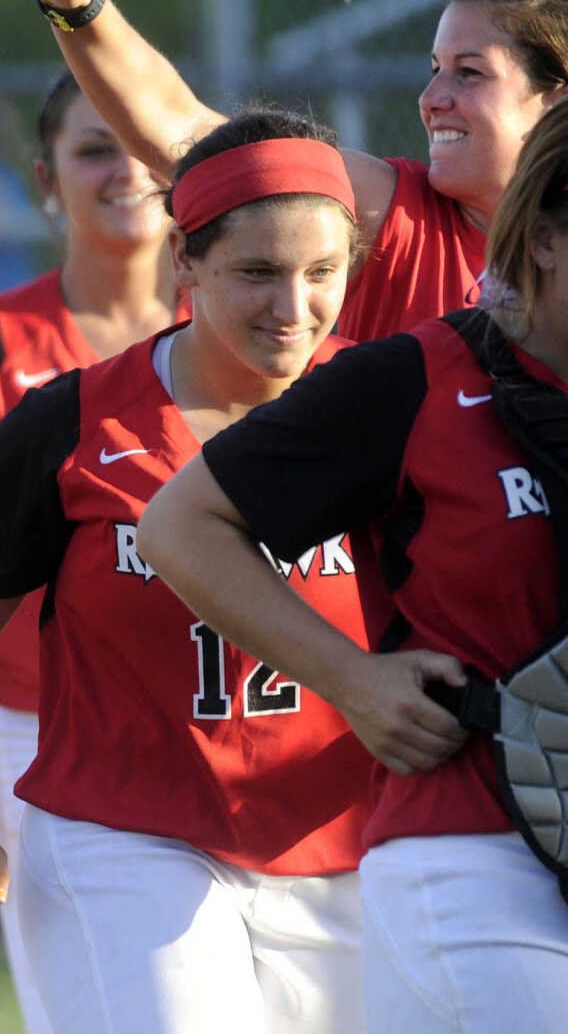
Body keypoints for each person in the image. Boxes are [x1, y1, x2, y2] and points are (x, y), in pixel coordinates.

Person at [0, 106, 376, 1033]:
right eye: (256, 272)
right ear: (185, 264)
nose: (293, 308)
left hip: (343, 841)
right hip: (124, 832)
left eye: (321, 273)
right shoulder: (73, 420)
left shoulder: (388, 404)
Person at [138, 99, 568, 1031]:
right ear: (540, 237)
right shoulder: (419, 378)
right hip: (475, 841)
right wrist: (351, 680)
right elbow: (180, 524)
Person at [0, 0, 568, 342]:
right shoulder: (400, 217)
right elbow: (193, 136)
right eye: (435, 67)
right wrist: (77, 4)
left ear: (554, 100)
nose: (432, 96)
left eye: (469, 72)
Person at [0, 69, 176, 1032]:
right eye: (95, 149)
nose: (126, 170)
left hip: (217, 713)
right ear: (44, 179)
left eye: (144, 146)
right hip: (34, 727)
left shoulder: (258, 332)